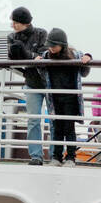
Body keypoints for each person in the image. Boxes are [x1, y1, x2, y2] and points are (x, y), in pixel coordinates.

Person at [35, 28, 92, 164]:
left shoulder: (75, 55)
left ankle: (71, 157)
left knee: (69, 128)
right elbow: (41, 72)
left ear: (62, 45)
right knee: (57, 128)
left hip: (71, 98)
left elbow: (84, 71)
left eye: (54, 45)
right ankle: (56, 157)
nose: (51, 48)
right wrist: (37, 60)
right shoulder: (46, 56)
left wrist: (88, 57)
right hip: (54, 99)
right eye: (50, 45)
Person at [7, 6, 51, 165]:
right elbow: (12, 60)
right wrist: (31, 59)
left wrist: (28, 56)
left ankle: (54, 156)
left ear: (24, 22)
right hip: (31, 82)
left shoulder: (41, 33)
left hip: (49, 82)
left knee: (53, 119)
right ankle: (36, 156)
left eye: (15, 22)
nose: (13, 25)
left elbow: (45, 54)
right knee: (33, 120)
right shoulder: (12, 37)